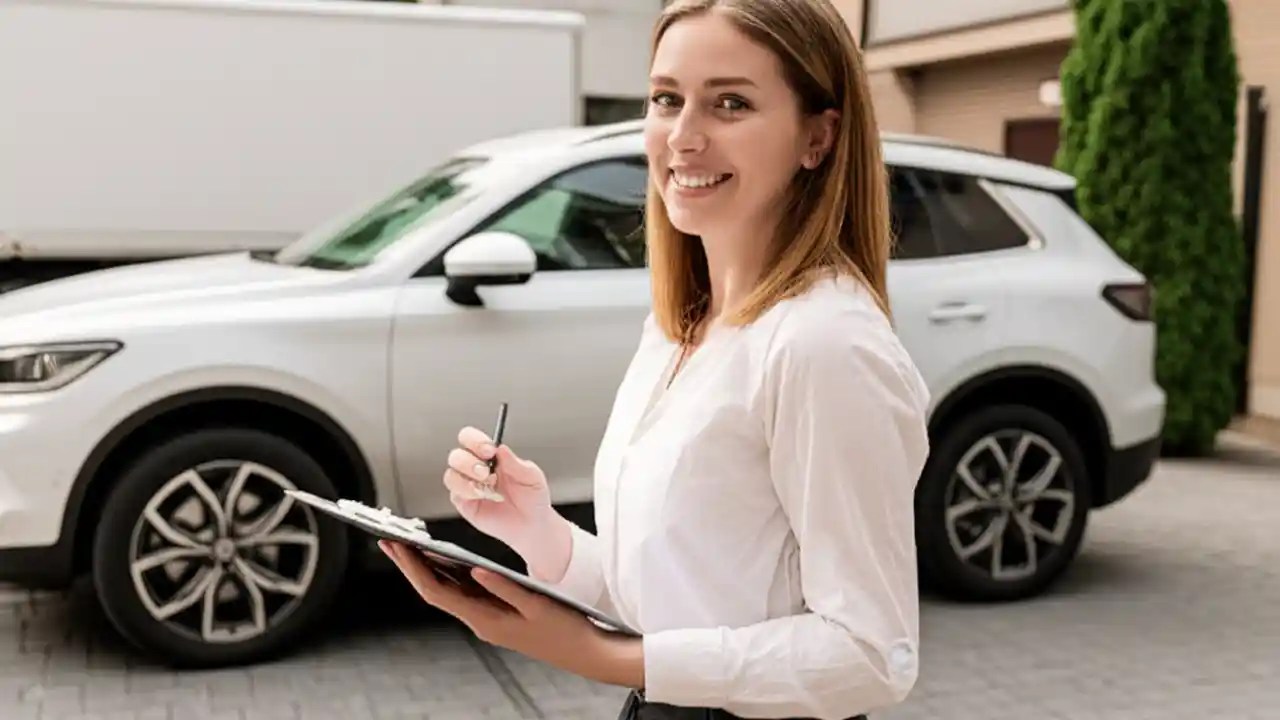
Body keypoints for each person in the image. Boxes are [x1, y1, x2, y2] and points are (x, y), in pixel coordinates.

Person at [379, 0, 932, 717]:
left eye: (730, 103)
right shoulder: (681, 329)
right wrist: (535, 531)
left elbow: (870, 655)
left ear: (817, 138)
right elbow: (684, 597)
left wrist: (599, 657)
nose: (683, 136)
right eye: (666, 99)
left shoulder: (824, 344)